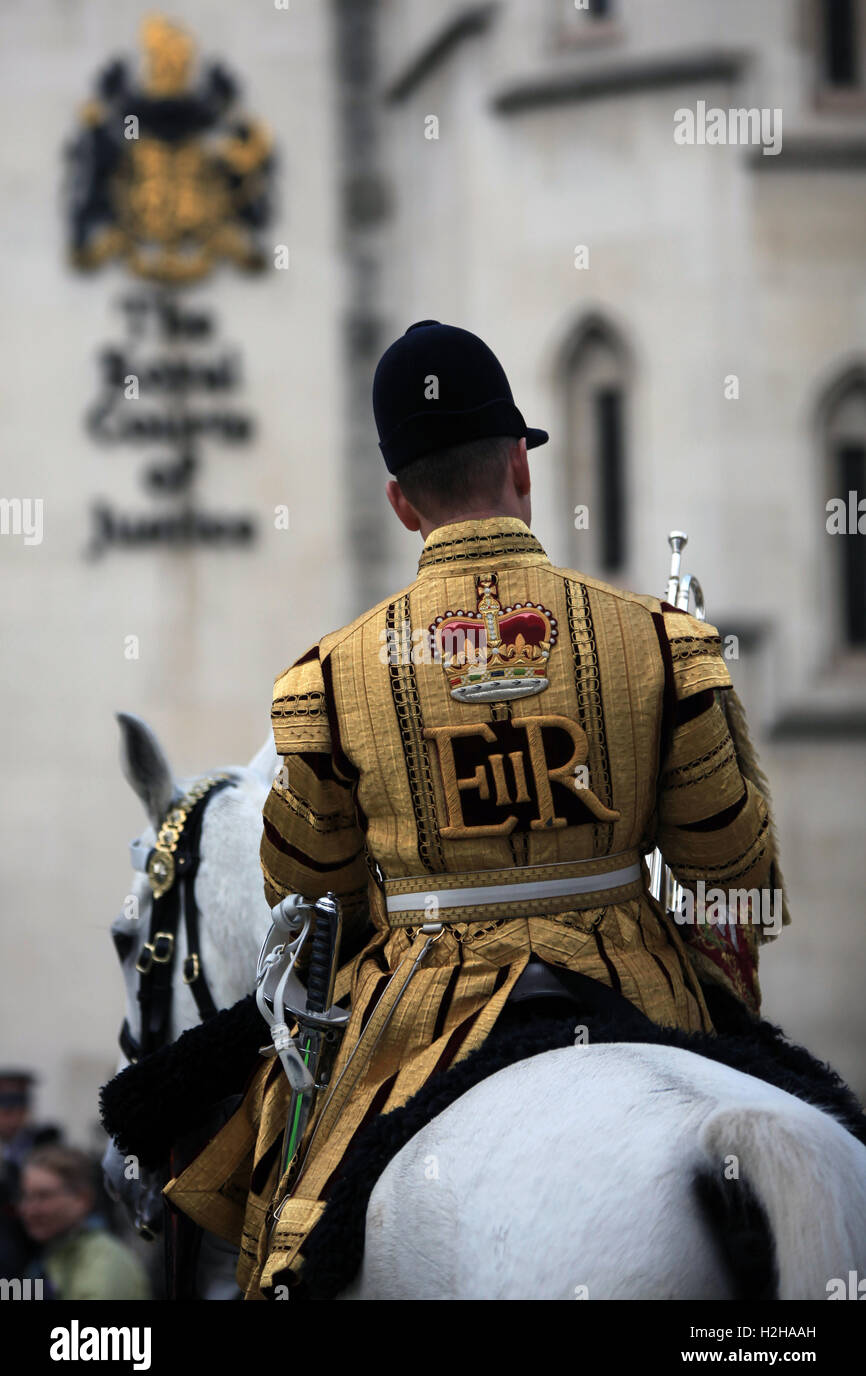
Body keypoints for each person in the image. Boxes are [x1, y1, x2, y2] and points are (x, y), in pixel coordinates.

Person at [164, 319, 787, 1298]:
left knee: (290, 1242)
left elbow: (304, 890)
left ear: (401, 502)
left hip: (414, 1014)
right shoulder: (663, 643)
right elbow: (732, 864)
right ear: (520, 468)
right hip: (638, 983)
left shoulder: (325, 682)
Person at [18, 1145, 151, 1300]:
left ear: (82, 1199)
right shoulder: (50, 1255)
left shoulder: (105, 1262)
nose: (29, 1209)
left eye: (44, 1196)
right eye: (26, 1196)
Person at [0, 1070, 61, 1278]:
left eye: (18, 1108)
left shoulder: (46, 1143)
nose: (11, 1117)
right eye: (5, 1109)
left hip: (41, 1247)